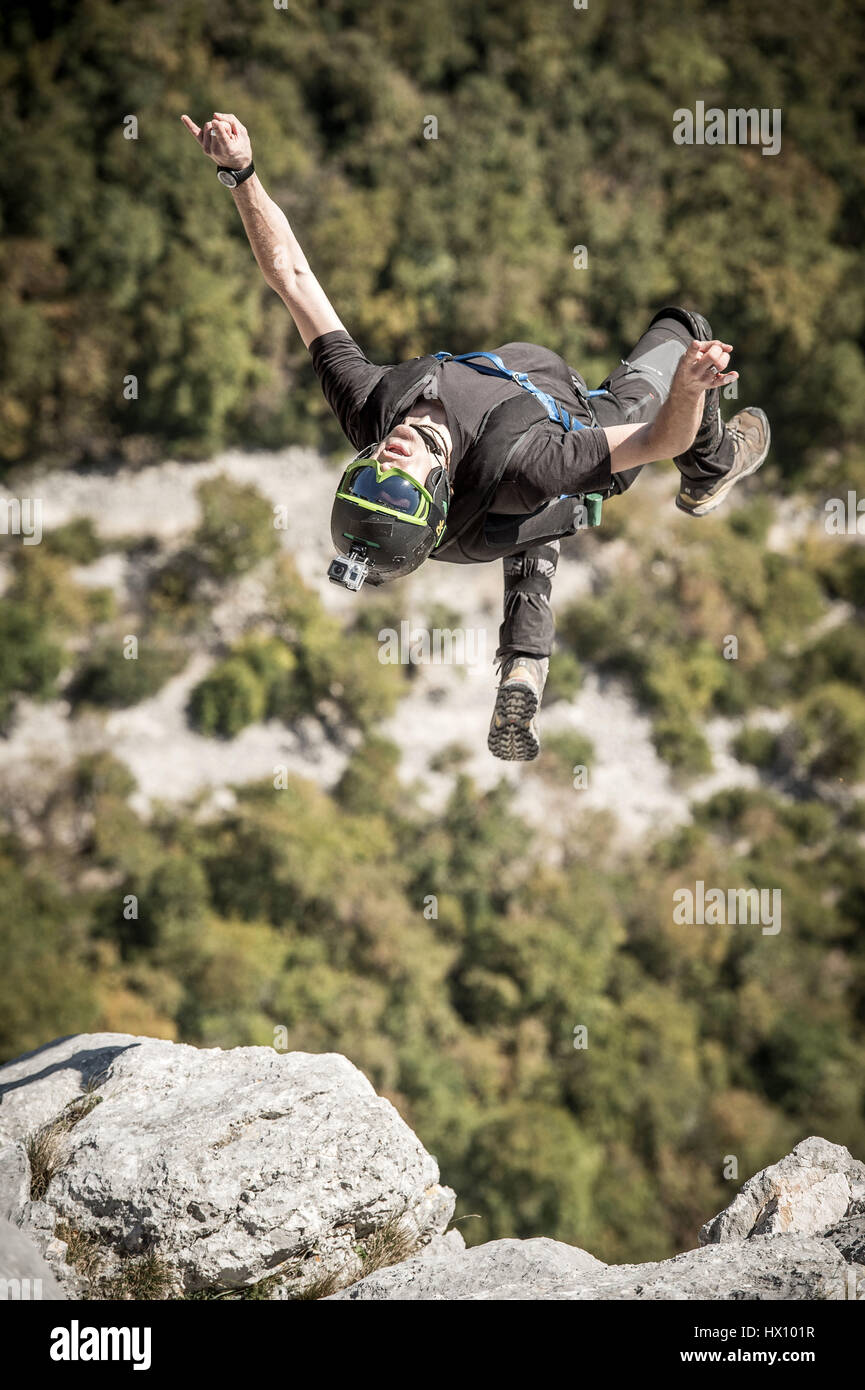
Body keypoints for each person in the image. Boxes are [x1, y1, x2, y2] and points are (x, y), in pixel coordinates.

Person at [182, 111, 771, 760]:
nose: (387, 461)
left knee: (529, 548)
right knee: (681, 328)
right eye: (397, 490)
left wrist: (238, 174)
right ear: (433, 492)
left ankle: (523, 667)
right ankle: (714, 469)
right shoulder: (528, 465)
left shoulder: (371, 405)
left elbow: (289, 279)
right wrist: (691, 387)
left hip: (500, 486)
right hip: (575, 430)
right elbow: (658, 440)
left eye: (364, 478)